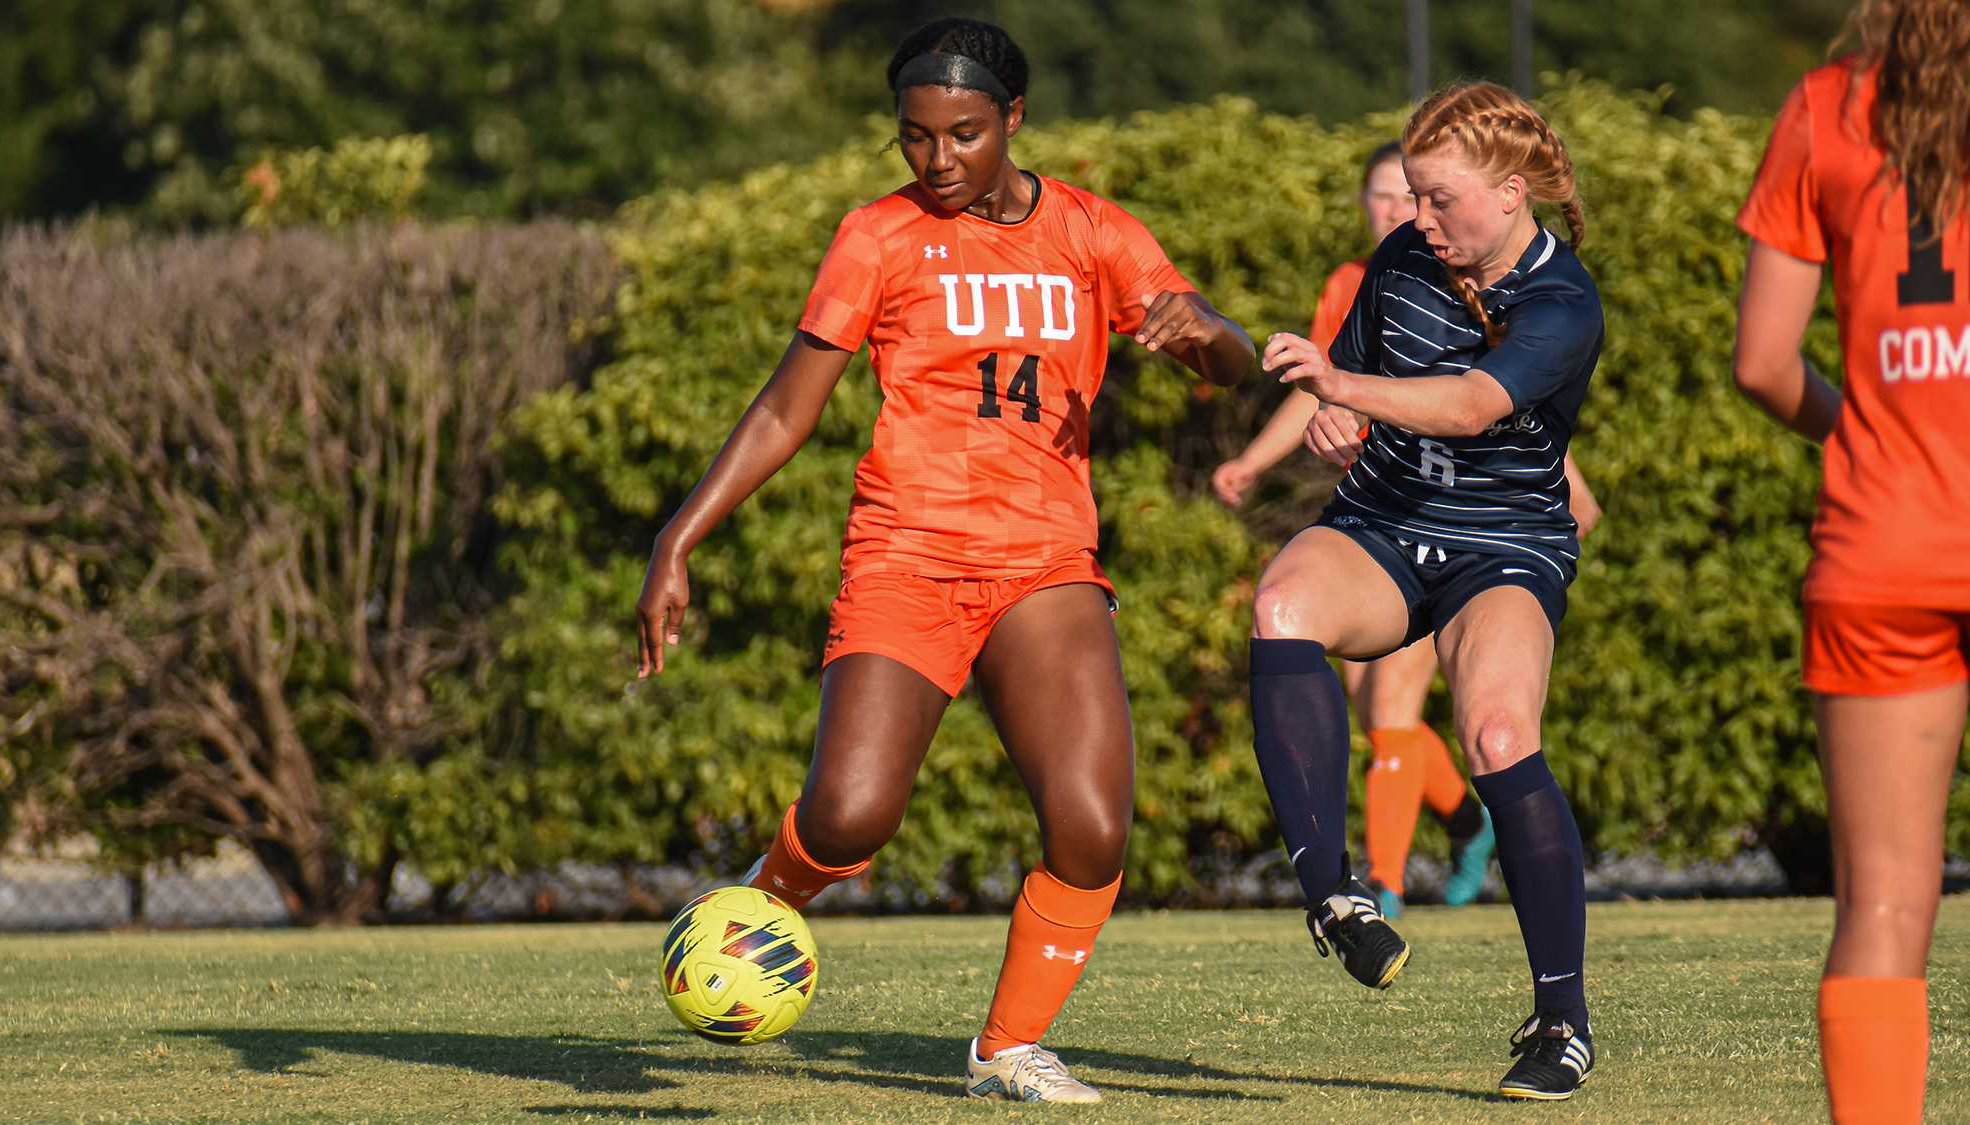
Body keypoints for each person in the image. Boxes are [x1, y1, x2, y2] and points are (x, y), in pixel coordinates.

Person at [634, 17, 1253, 1104]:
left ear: (1012, 119)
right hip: (906, 556)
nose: (938, 161)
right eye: (914, 139)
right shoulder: (876, 236)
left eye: (963, 134)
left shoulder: (1093, 233)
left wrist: (1204, 330)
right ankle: (757, 907)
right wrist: (677, 536)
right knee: (848, 817)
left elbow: (1230, 361)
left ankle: (1005, 1047)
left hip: (1044, 564)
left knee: (1092, 825)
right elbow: (787, 408)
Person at [1246, 82, 1604, 1100]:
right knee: (1280, 604)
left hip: (1503, 545)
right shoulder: (1402, 259)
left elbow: (1466, 403)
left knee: (1495, 736)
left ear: (1505, 191)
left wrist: (1339, 388)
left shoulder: (1561, 300)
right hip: (1383, 523)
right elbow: (1354, 389)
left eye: (1437, 198)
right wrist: (1334, 419)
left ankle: (1560, 1022)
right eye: (1409, 196)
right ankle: (1333, 898)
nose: (1417, 218)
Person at [1732, 2, 1970, 1119]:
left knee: (1879, 904)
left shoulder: (1826, 106)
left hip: (1882, 547)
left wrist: (1863, 431)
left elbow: (1762, 363)